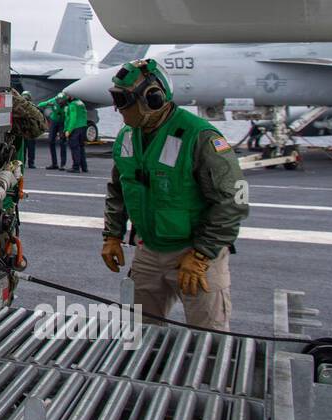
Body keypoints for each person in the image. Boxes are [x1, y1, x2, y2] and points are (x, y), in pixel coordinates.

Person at [100, 59, 248, 329]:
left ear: (153, 98)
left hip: (195, 252)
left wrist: (202, 255)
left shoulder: (199, 136)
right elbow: (119, 188)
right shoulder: (127, 137)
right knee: (137, 331)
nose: (118, 109)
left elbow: (232, 200)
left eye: (123, 100)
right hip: (149, 250)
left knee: (209, 338)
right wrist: (112, 235)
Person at [38, 94, 68, 169]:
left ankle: (63, 164)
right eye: (59, 102)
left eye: (61, 102)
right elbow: (40, 105)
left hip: (62, 122)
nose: (60, 103)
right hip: (54, 121)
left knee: (62, 142)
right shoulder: (53, 101)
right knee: (51, 141)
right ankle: (54, 164)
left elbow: (70, 117)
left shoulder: (67, 104)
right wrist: (47, 104)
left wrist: (68, 128)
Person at [64, 92, 89, 173]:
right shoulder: (81, 103)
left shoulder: (72, 105)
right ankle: (84, 167)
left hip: (75, 128)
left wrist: (68, 130)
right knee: (81, 148)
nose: (66, 97)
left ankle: (76, 167)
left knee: (75, 148)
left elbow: (73, 118)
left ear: (71, 96)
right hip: (83, 127)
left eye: (67, 95)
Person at [20, 90, 38, 167]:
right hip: (26, 130)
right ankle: (29, 163)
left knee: (28, 148)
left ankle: (28, 163)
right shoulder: (21, 106)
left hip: (28, 130)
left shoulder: (32, 107)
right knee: (26, 148)